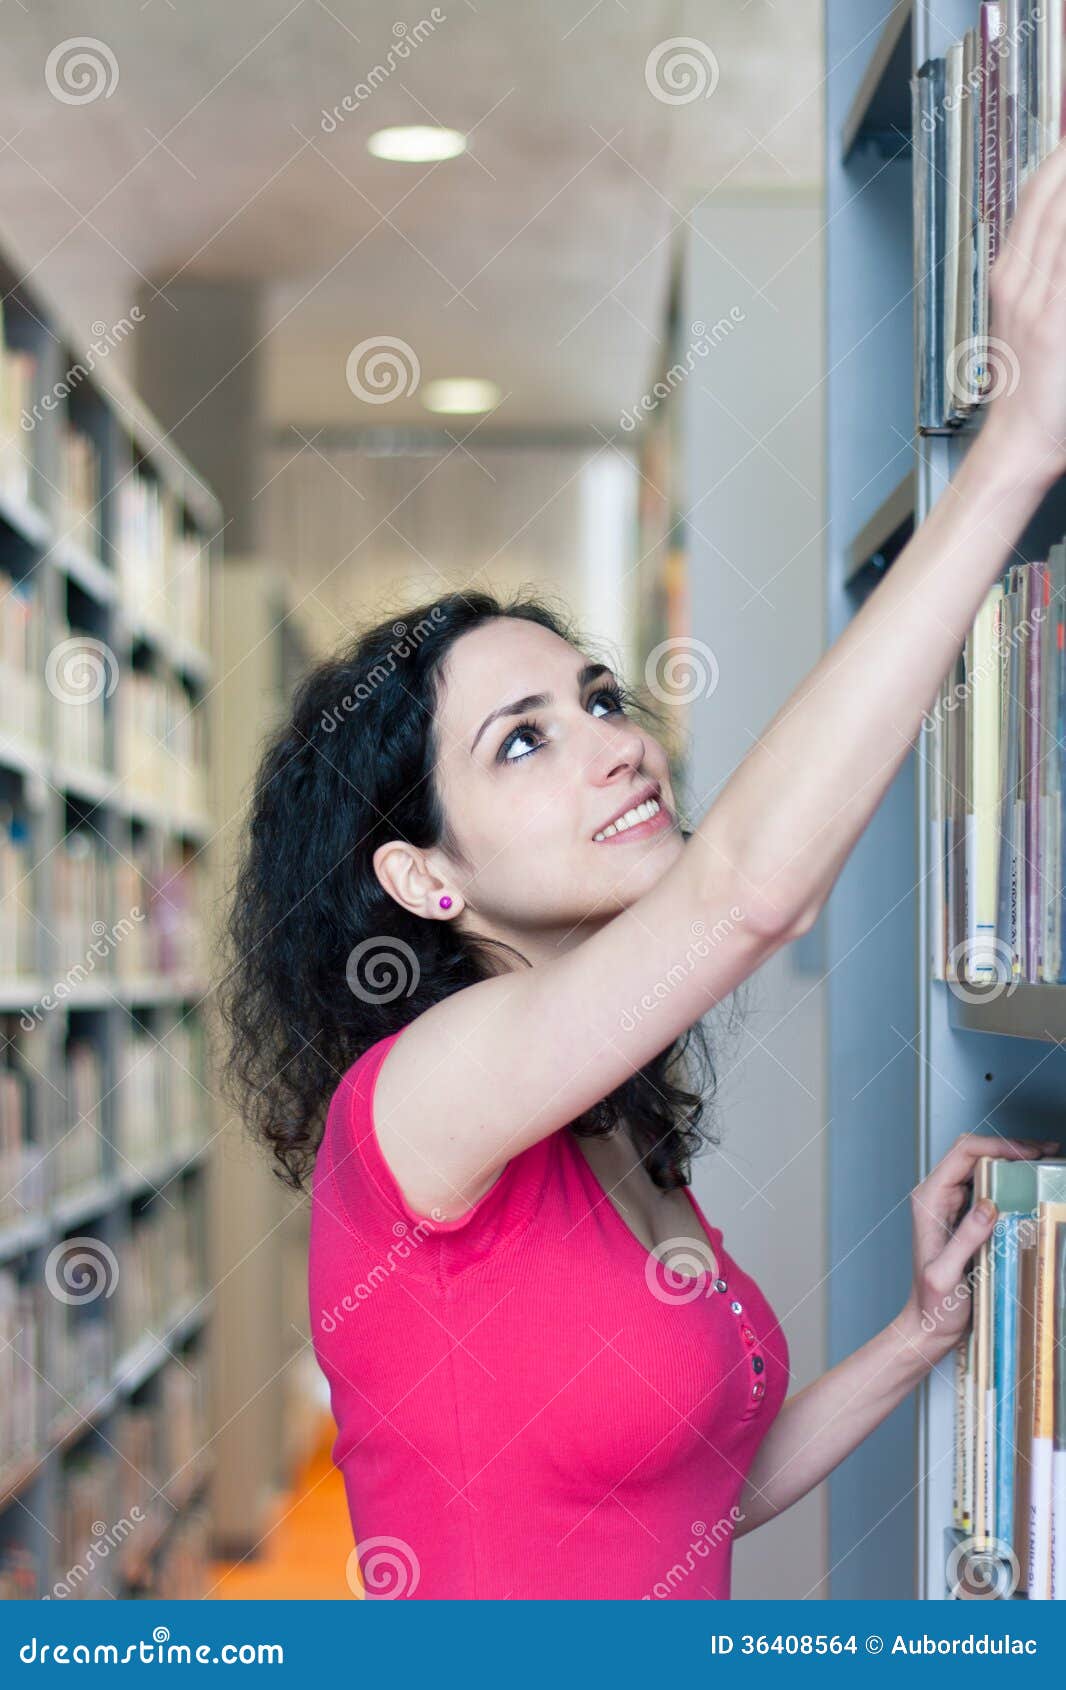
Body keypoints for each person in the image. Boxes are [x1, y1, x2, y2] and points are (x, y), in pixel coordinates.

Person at [218, 140, 1066, 1600]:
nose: (615, 746)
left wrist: (919, 1336)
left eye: (602, 701)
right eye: (523, 742)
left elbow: (685, 1502)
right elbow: (749, 892)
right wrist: (1014, 451)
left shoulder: (612, 1132)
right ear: (426, 879)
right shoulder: (417, 1101)